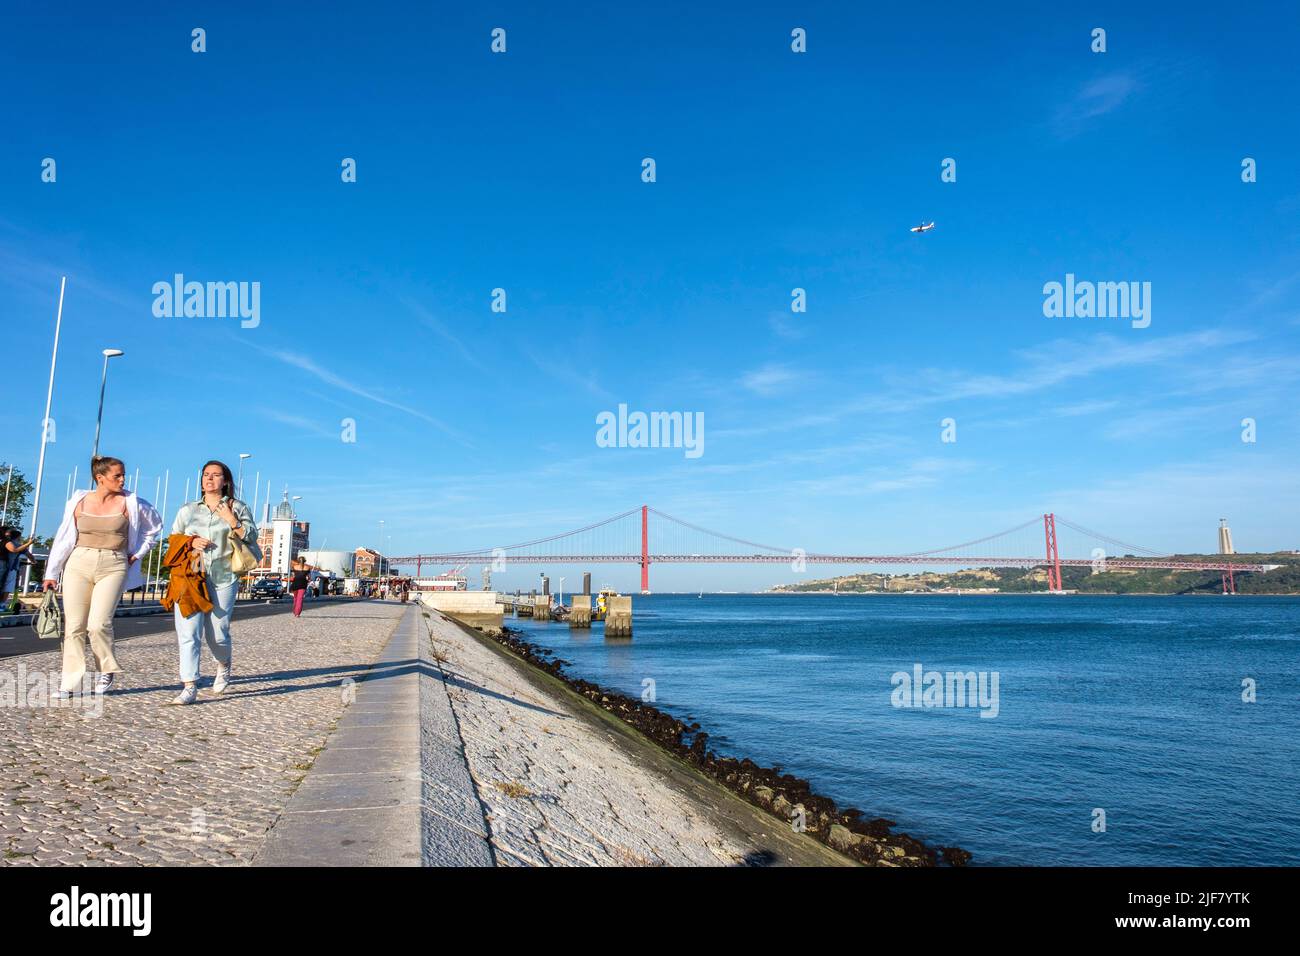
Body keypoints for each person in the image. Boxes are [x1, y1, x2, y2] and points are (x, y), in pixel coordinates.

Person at [42, 456, 163, 697]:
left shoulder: (132, 503)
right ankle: (69, 682)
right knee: (74, 626)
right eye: (117, 475)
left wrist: (137, 554)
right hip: (78, 562)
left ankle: (105, 669)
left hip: (114, 563)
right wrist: (51, 573)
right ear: (100, 478)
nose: (122, 479)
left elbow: (155, 528)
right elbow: (64, 537)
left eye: (123, 475)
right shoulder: (78, 500)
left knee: (98, 624)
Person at [169, 460, 261, 705]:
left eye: (215, 475)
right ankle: (189, 685)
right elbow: (173, 537)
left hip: (223, 577)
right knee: (188, 632)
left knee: (217, 633)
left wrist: (232, 520)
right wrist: (190, 542)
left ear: (225, 481)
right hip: (191, 577)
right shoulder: (188, 510)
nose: (209, 479)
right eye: (206, 475)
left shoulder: (237, 507)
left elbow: (252, 537)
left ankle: (223, 664)